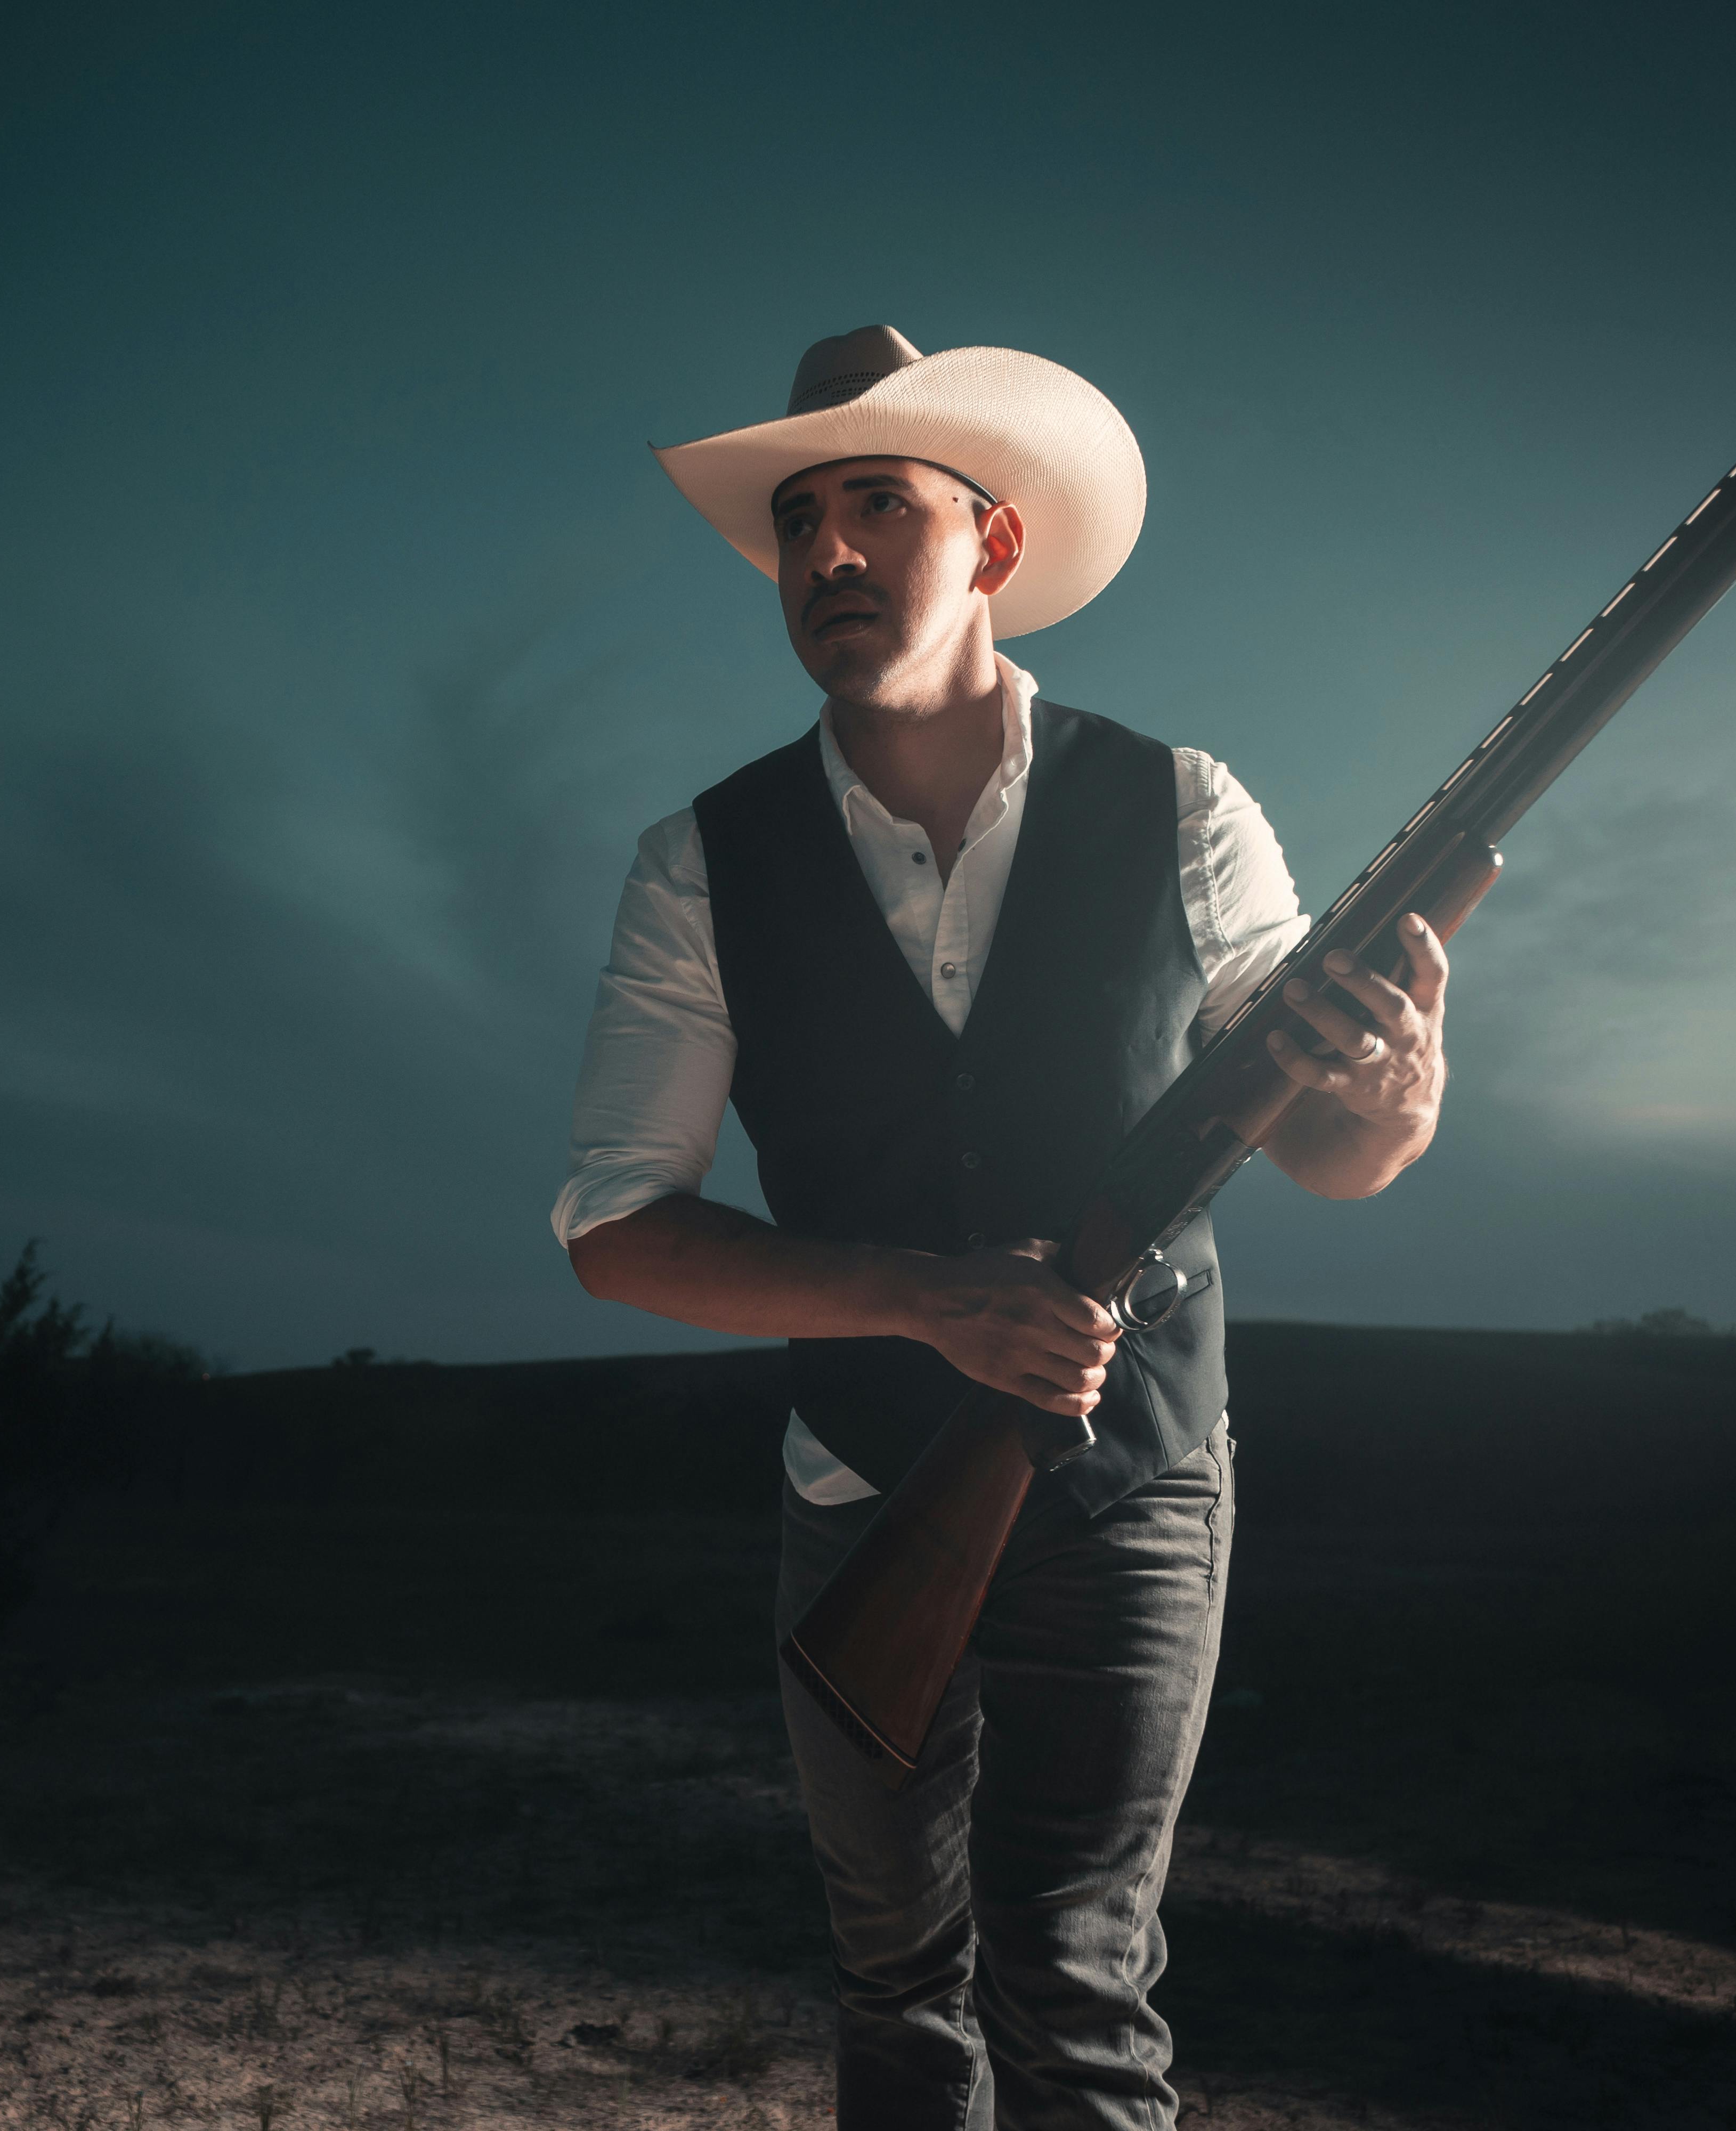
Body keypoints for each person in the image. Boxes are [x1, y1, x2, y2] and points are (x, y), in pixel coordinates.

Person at [550, 326, 1454, 2127]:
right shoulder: (702, 859)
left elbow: (1340, 1154)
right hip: (860, 1485)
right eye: (801, 522)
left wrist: (1401, 1079)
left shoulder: (1187, 807)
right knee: (895, 1986)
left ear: (999, 547)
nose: (829, 556)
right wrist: (921, 1301)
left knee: (1076, 1982)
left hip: (1134, 1479)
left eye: (880, 505)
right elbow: (616, 1228)